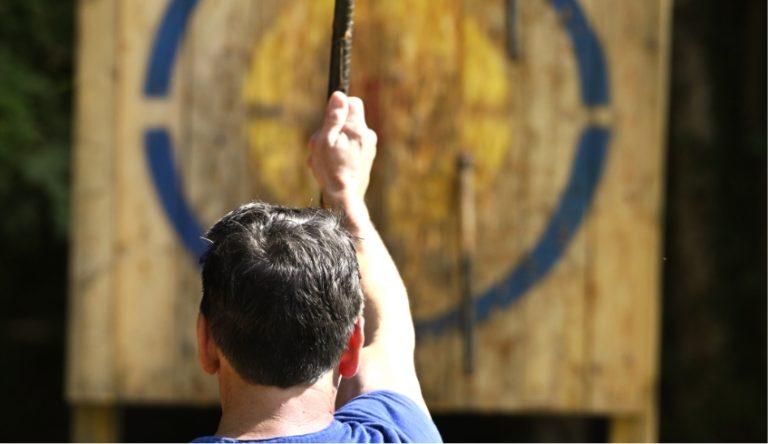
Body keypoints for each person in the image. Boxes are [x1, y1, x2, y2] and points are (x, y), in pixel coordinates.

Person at [192, 92, 443, 443]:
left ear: (205, 341)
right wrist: (343, 191)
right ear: (351, 347)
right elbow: (390, 338)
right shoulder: (398, 436)